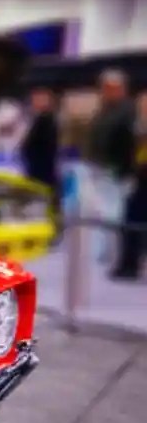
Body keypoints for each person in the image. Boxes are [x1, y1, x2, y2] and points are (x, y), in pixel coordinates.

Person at [86, 70, 137, 268]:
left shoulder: (127, 112)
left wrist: (125, 169)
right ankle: (104, 251)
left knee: (115, 213)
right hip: (102, 167)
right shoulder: (105, 111)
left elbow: (127, 144)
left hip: (118, 171)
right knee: (104, 212)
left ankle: (115, 253)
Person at [110, 93, 147, 280]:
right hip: (136, 181)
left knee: (136, 223)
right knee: (129, 222)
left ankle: (132, 263)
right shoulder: (135, 129)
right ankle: (128, 263)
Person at [21, 88, 59, 200]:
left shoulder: (45, 121)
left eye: (40, 99)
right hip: (37, 169)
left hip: (42, 171)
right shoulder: (38, 119)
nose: (35, 102)